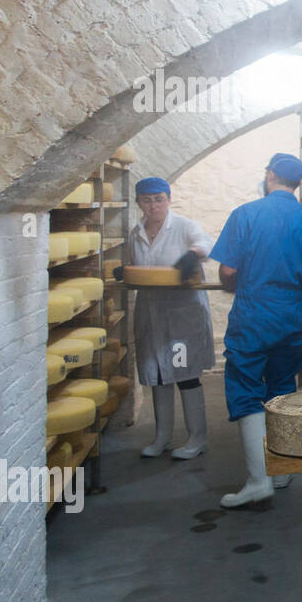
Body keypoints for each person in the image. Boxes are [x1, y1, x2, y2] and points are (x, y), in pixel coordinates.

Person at [210, 153, 302, 508]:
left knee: (246, 387)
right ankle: (281, 470)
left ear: (270, 176)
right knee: (281, 387)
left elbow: (229, 272)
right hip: (291, 313)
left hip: (254, 312)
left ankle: (258, 480)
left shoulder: (245, 214)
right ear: (299, 183)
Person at [117, 177, 215, 459]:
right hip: (151, 313)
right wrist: (126, 271)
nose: (153, 205)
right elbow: (136, 265)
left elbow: (204, 244)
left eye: (159, 199)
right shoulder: (136, 233)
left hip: (183, 316)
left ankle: (198, 438)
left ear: (168, 200)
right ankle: (163, 438)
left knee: (186, 375)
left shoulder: (183, 225)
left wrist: (192, 255)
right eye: (147, 200)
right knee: (158, 375)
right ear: (139, 203)